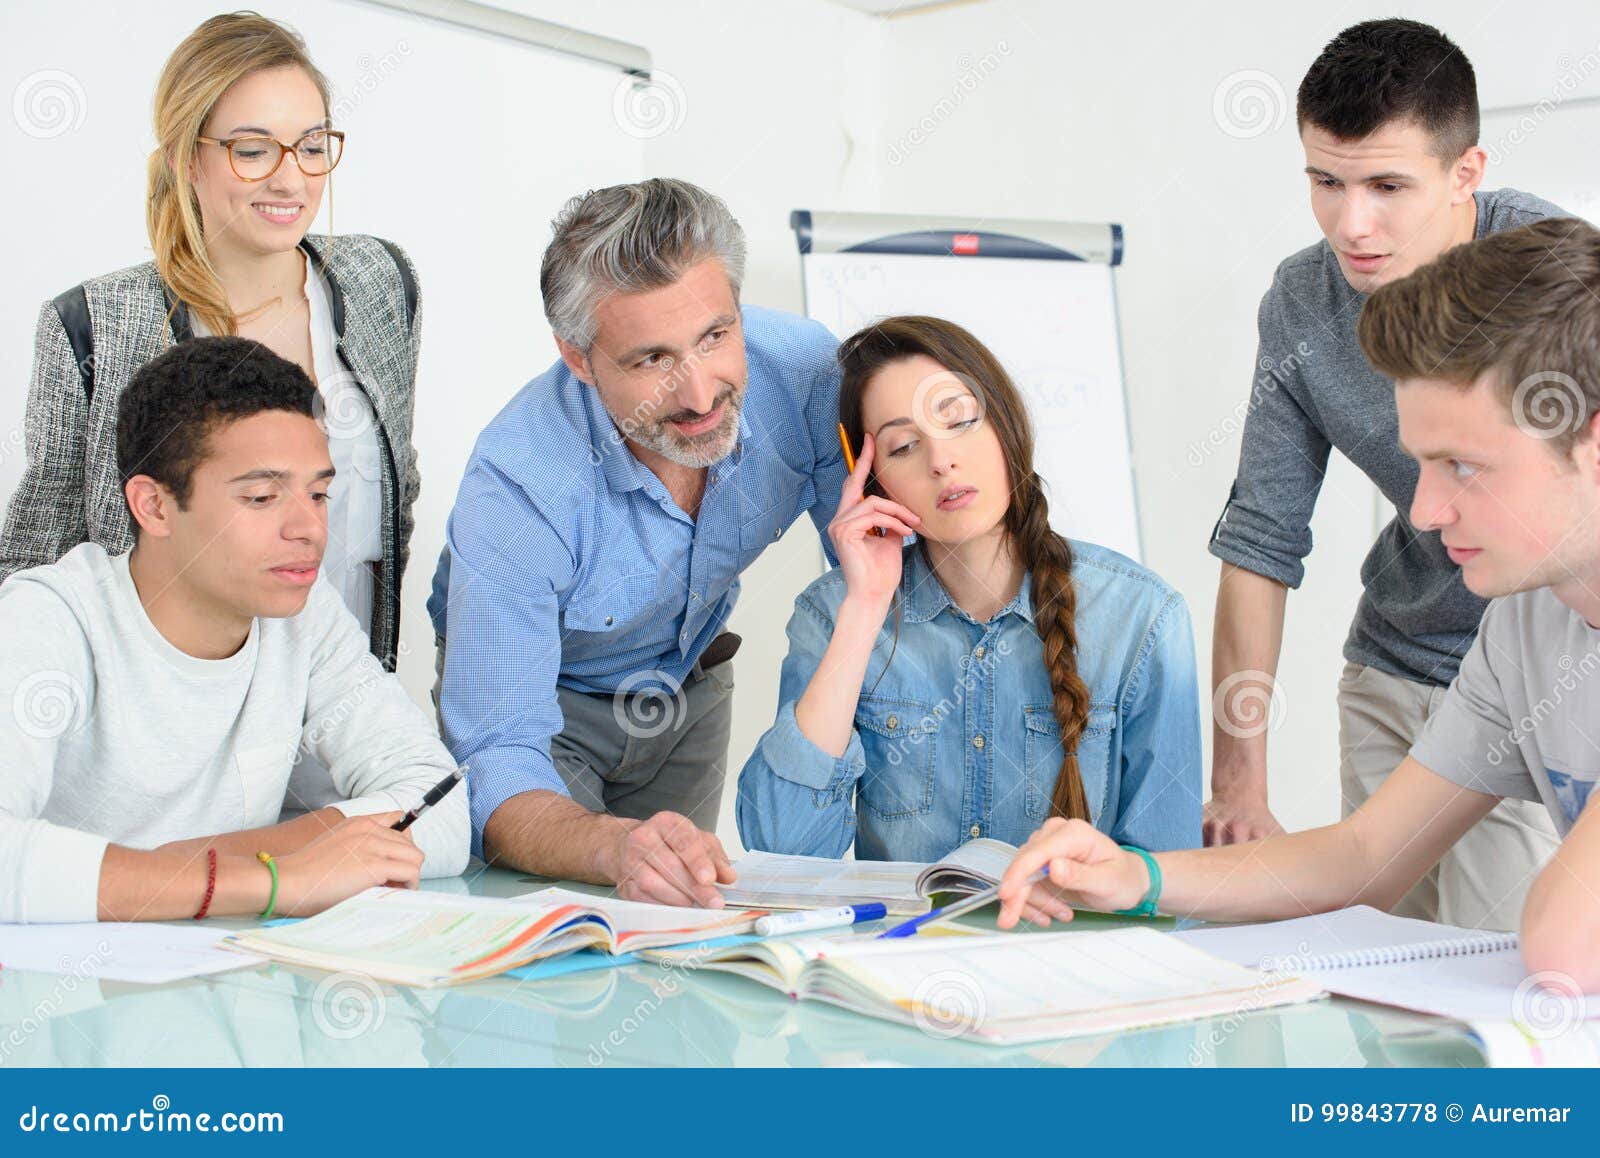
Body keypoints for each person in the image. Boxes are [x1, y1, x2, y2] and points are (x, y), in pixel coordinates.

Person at [1000, 218, 1600, 991]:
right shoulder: (1527, 622)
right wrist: (1137, 878)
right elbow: (1365, 858)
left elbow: (1567, 948)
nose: (1423, 513)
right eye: (1421, 465)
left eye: (1463, 466)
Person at [0, 13, 423, 816]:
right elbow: (33, 560)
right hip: (168, 766)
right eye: (253, 148)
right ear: (185, 158)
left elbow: (396, 495)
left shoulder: (380, 283)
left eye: (311, 145)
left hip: (342, 719)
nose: (291, 179)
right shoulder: (97, 325)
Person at [1203, 18, 1563, 928]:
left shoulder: (1557, 284)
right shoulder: (1301, 301)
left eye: (1387, 186)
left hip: (1535, 684)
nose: (1350, 225)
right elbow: (1261, 537)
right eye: (1326, 181)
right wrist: (1239, 782)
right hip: (1394, 666)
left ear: (1465, 172)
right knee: (1380, 979)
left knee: (1511, 987)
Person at [430, 178, 847, 906]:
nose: (697, 394)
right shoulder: (516, 489)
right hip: (551, 712)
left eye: (716, 337)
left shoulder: (806, 375)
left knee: (681, 935)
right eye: (651, 360)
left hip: (690, 685)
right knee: (551, 951)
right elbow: (499, 756)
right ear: (579, 356)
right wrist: (607, 840)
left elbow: (885, 581)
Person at [0, 337, 467, 924]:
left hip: (228, 979)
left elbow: (439, 805)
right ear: (155, 507)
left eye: (319, 494)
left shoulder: (302, 613)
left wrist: (185, 870)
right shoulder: (47, 619)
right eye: (262, 496)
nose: (309, 529)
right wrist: (277, 879)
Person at [737, 316, 1201, 859]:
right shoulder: (832, 614)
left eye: (959, 421)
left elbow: (1168, 879)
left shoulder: (1143, 617)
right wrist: (864, 609)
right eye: (904, 446)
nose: (941, 461)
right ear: (872, 479)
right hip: (901, 944)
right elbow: (781, 852)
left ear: (1006, 422)